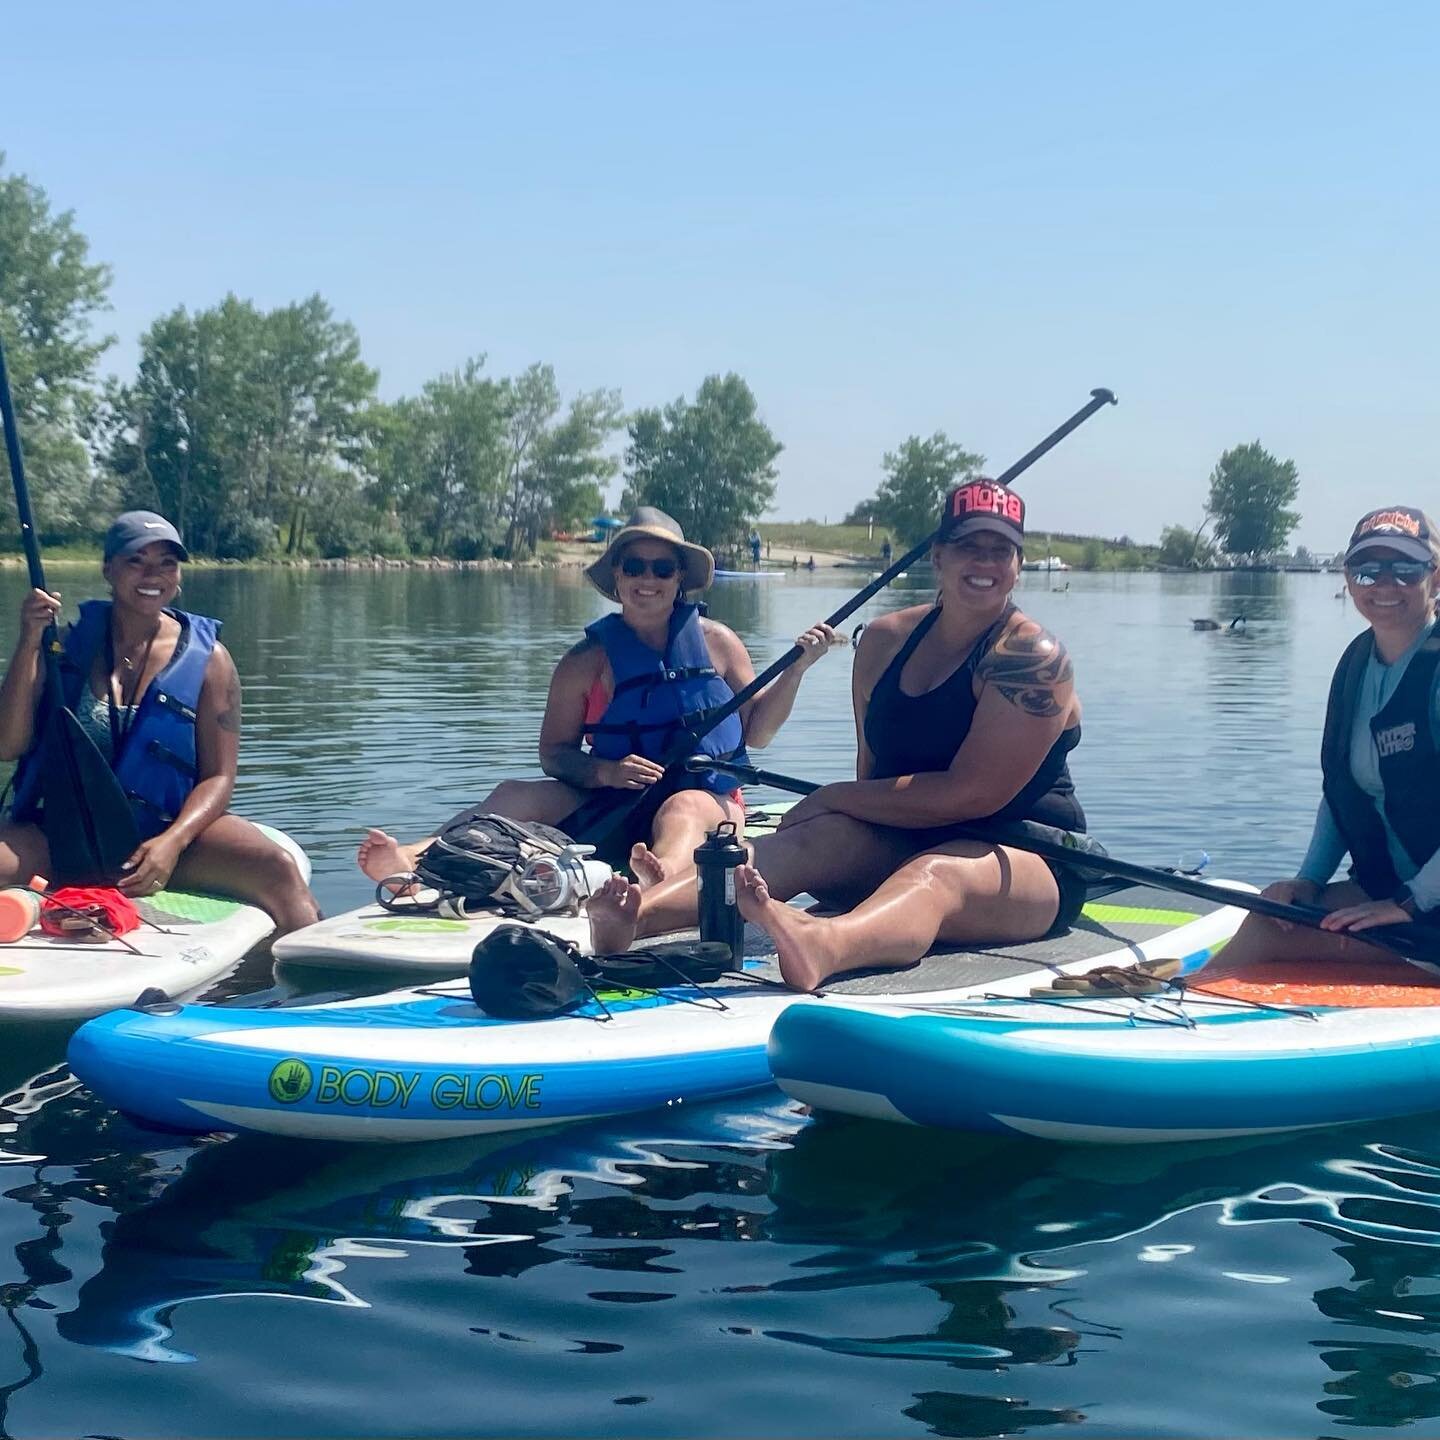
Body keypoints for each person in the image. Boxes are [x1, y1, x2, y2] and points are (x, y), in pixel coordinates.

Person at [589, 478, 1090, 990]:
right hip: (910, 837)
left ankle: (826, 944)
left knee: (938, 875)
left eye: (1000, 551)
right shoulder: (883, 641)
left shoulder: (1032, 659)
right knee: (811, 840)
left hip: (1030, 856)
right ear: (938, 556)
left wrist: (832, 797)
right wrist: (835, 821)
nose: (983, 563)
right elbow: (872, 776)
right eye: (968, 547)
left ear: (1018, 565)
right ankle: (637, 913)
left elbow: (972, 796)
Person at [359, 507, 841, 889]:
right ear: (616, 578)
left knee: (684, 809)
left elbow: (757, 735)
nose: (646, 579)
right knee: (514, 794)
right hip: (610, 802)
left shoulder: (720, 643)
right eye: (634, 566)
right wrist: (605, 772)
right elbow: (553, 754)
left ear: (679, 579)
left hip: (710, 800)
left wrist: (797, 670)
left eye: (661, 568)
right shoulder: (584, 662)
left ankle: (661, 879)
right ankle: (415, 861)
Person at [0, 512, 320, 932]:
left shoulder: (211, 662)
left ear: (179, 575)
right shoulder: (61, 647)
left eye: (167, 563)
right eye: (137, 560)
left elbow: (219, 778)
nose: (153, 575)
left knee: (276, 868)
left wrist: (172, 843)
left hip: (164, 831)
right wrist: (28, 642)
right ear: (108, 570)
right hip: (62, 830)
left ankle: (318, 986)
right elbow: (8, 746)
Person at [1197, 506, 1440, 979]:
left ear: (1435, 576)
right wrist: (1309, 880)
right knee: (1273, 922)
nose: (1384, 585)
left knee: (1265, 943)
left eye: (1405, 568)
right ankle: (1178, 1005)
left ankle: (1180, 1010)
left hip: (1420, 903)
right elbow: (1342, 794)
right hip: (1390, 893)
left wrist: (1413, 902)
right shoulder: (1355, 663)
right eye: (1368, 570)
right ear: (1349, 580)